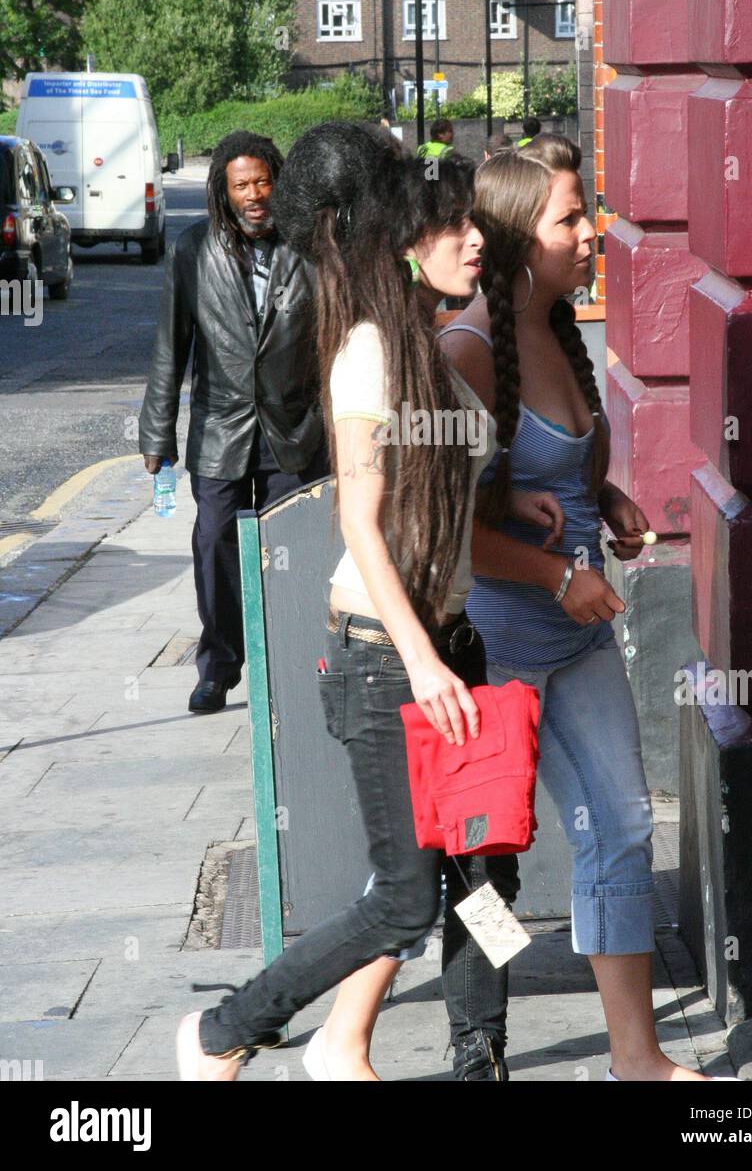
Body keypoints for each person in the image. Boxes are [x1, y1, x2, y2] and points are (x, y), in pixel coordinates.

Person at [175, 122, 560, 1082]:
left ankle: (483, 1061)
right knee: (402, 901)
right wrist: (424, 662)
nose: (475, 238)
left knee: (489, 871)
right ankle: (223, 1031)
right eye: (453, 223)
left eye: (475, 219)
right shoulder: (367, 353)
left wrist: (512, 504)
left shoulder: (425, 343)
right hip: (385, 654)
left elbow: (440, 499)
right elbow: (359, 519)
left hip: (448, 639)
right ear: (402, 240)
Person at [441, 133, 721, 1081]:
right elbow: (448, 532)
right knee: (462, 861)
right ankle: (352, 1026)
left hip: (581, 633)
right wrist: (559, 575)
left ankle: (636, 1058)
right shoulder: (468, 349)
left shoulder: (559, 329)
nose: (590, 230)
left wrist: (608, 504)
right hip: (503, 647)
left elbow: (561, 474)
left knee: (623, 828)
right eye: (570, 216)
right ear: (523, 236)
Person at [138, 131, 328, 716]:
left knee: (289, 548)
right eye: (242, 185)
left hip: (294, 431)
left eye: (263, 181)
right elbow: (172, 345)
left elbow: (331, 341)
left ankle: (292, 659)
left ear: (279, 182)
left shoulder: (311, 247)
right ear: (224, 191)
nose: (254, 195)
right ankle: (218, 667)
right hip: (221, 429)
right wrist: (157, 434)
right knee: (215, 541)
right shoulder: (193, 250)